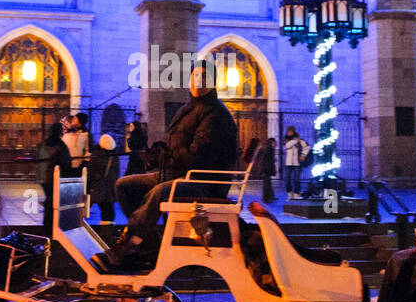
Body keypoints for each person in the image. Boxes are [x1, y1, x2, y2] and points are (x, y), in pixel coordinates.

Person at [100, 60, 239, 268]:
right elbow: (176, 145)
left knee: (159, 191)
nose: (198, 81)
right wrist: (156, 155)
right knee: (124, 185)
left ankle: (129, 244)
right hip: (179, 172)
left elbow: (198, 154)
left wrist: (165, 157)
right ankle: (149, 245)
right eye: (194, 76)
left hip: (204, 180)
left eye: (204, 77)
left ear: (213, 82)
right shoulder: (188, 109)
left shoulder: (216, 115)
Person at [34, 122, 72, 235]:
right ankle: (50, 226)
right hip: (53, 177)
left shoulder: (42, 144)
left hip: (42, 177)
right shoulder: (61, 145)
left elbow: (35, 157)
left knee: (49, 199)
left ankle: (48, 225)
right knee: (52, 201)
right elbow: (66, 162)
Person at [86, 132, 120, 224]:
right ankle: (107, 231)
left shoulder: (96, 154)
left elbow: (91, 172)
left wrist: (89, 185)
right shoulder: (114, 155)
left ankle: (75, 226)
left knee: (86, 207)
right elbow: (116, 172)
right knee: (108, 211)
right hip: (109, 188)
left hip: (98, 186)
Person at [283, 126, 309, 197]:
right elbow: (287, 146)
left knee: (296, 179)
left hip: (297, 163)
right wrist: (295, 140)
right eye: (288, 131)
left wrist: (303, 155)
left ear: (293, 132)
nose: (289, 133)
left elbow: (307, 147)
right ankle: (289, 192)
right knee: (287, 178)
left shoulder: (300, 140)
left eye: (290, 131)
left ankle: (296, 193)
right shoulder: (286, 139)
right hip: (288, 163)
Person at [262, 137, 277, 202]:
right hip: (266, 169)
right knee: (267, 184)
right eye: (274, 143)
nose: (275, 144)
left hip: (267, 169)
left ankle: (270, 196)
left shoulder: (270, 149)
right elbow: (266, 160)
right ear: (270, 143)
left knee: (268, 183)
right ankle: (266, 198)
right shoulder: (268, 149)